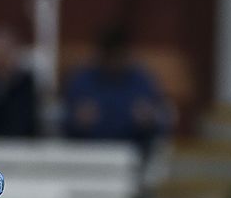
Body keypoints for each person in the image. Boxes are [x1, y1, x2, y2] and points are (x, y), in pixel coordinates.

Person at [60, 26, 171, 156]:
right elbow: (61, 122)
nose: (115, 62)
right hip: (88, 153)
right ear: (101, 55)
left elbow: (162, 121)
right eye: (110, 57)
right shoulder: (82, 80)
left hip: (132, 154)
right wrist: (76, 122)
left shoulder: (142, 81)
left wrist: (149, 122)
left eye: (119, 56)